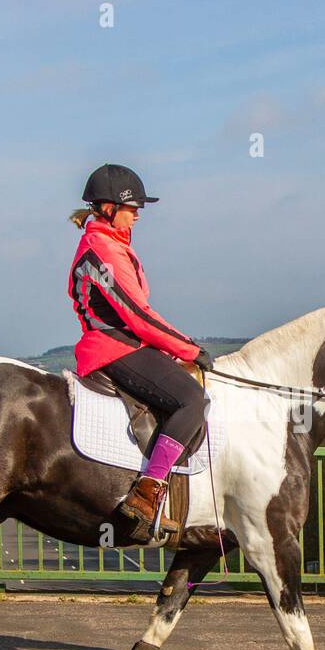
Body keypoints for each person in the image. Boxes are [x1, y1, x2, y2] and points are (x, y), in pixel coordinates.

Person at [66, 163, 213, 530]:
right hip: (113, 348)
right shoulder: (103, 250)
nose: (137, 216)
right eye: (133, 209)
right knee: (192, 399)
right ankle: (147, 490)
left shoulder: (110, 244)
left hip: (120, 346)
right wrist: (188, 349)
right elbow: (138, 316)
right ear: (110, 207)